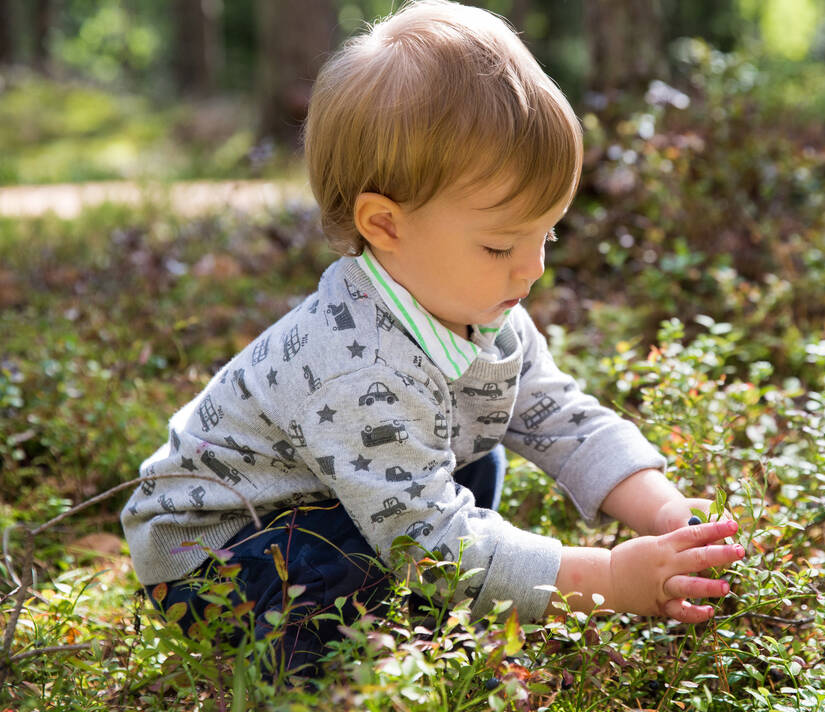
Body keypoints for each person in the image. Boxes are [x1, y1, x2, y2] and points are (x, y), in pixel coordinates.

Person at [120, 0, 744, 678]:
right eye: (501, 243)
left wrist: (669, 513)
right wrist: (611, 580)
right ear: (385, 225)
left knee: (481, 445)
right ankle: (355, 667)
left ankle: (431, 605)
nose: (534, 268)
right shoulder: (356, 368)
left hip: (333, 501)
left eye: (548, 234)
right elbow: (434, 543)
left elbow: (560, 418)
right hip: (221, 556)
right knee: (380, 575)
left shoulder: (484, 309)